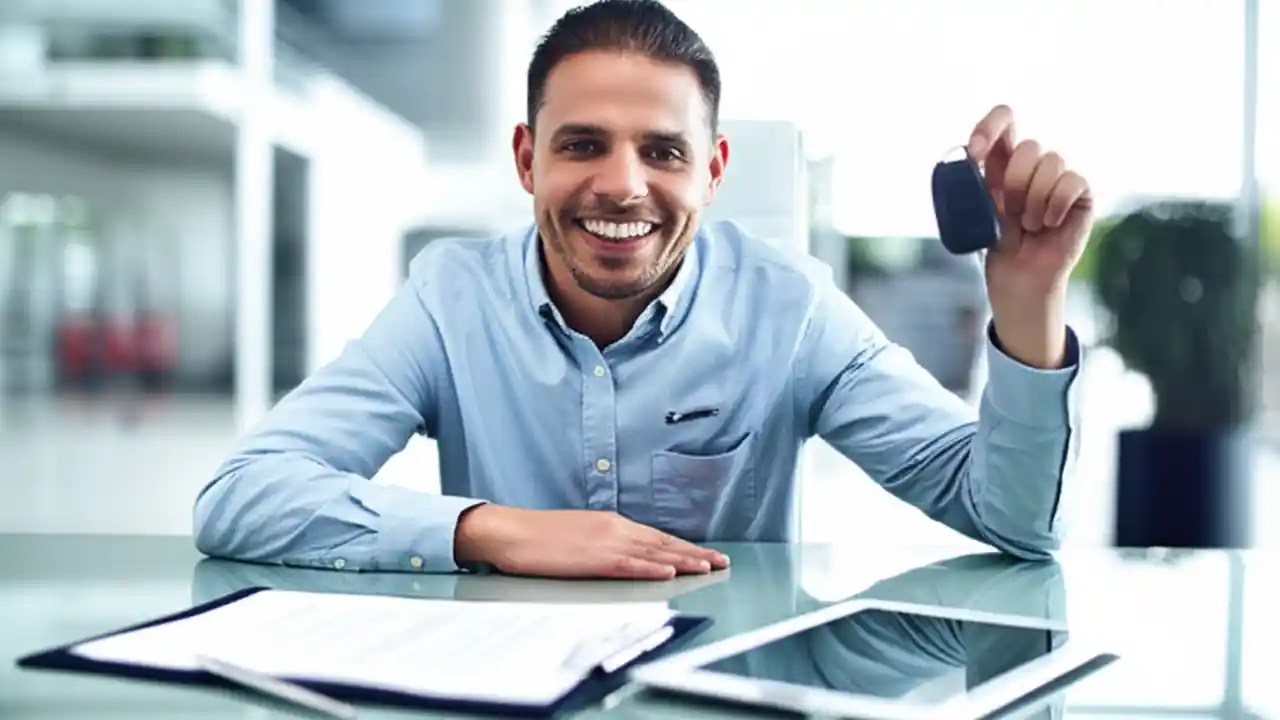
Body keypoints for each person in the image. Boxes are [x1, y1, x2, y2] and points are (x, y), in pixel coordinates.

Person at [193, 0, 1089, 579]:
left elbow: (1012, 521)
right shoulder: (448, 299)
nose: (622, 186)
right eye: (582, 143)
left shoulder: (791, 308)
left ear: (713, 170)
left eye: (662, 151)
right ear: (525, 159)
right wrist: (490, 530)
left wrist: (1028, 303)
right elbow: (243, 494)